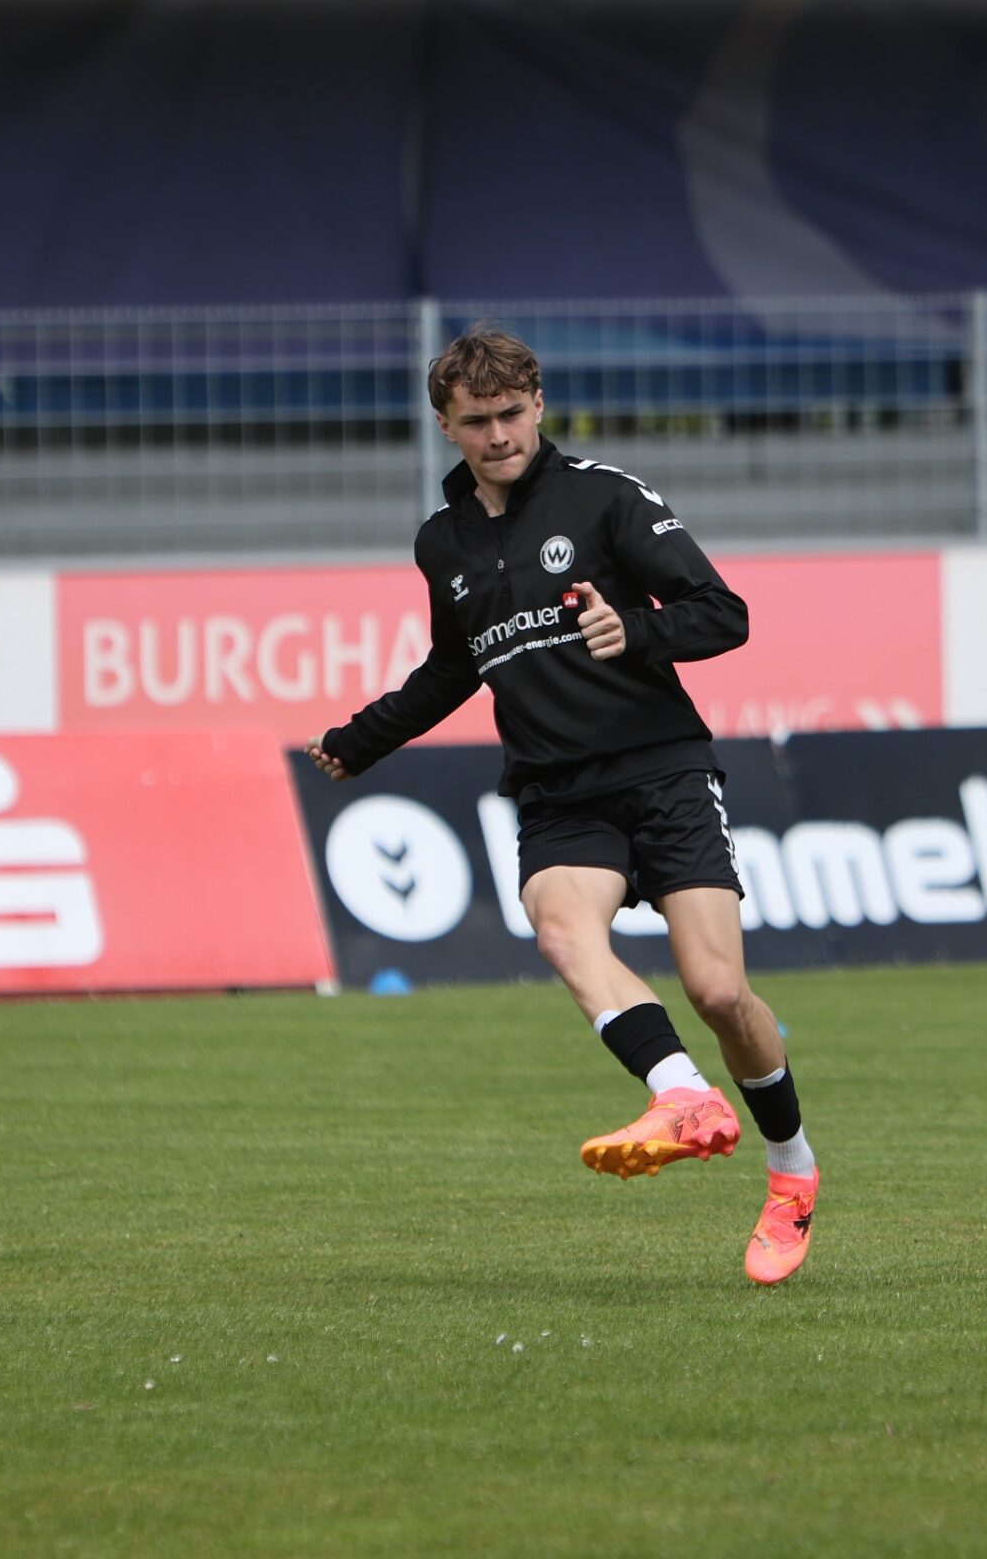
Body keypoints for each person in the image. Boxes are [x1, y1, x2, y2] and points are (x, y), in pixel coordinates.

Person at [305, 325, 818, 1285]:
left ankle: (791, 1168)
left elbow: (724, 613)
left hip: (661, 766)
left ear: (537, 404)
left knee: (717, 992)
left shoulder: (606, 497)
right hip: (554, 787)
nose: (498, 434)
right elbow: (454, 666)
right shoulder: (441, 543)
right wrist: (363, 738)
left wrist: (639, 627)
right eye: (476, 421)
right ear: (447, 427)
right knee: (561, 931)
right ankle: (682, 1096)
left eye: (511, 413)